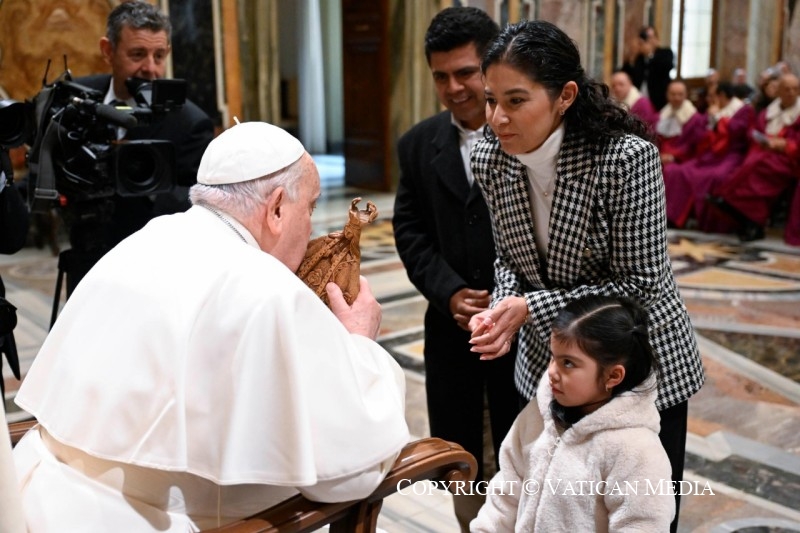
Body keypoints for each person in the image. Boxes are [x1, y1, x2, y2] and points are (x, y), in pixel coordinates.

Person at [12, 121, 410, 531]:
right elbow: (351, 474)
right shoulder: (267, 290)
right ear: (276, 209)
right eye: (309, 208)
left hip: (40, 495)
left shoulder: (144, 239)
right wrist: (361, 343)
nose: (311, 226)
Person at [467, 21, 704, 533]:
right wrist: (503, 308)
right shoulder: (489, 157)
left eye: (515, 100)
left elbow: (641, 284)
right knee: (551, 504)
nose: (498, 119)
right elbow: (510, 257)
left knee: (638, 512)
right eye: (490, 100)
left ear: (564, 96)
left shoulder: (623, 160)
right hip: (554, 365)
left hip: (633, 365)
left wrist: (530, 308)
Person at [392, 7, 519, 530]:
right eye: (440, 76)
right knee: (463, 456)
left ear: (491, 67)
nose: (454, 87)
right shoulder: (419, 144)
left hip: (520, 328)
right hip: (452, 333)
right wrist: (448, 292)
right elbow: (411, 231)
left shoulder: (525, 137)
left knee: (520, 452)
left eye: (466, 73)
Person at [471, 296, 675, 532]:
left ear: (613, 376)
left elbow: (642, 524)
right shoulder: (538, 415)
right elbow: (505, 493)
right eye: (553, 357)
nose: (552, 373)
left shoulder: (636, 450)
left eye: (568, 363)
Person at [69, 0, 214, 287]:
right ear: (108, 50)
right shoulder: (80, 97)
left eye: (159, 56)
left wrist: (143, 183)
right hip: (85, 258)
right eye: (137, 54)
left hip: (154, 267)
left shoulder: (190, 122)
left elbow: (202, 200)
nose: (150, 69)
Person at [708, 72, 800, 242]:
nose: (791, 93)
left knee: (759, 170)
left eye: (795, 89)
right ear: (778, 91)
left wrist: (784, 144)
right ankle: (749, 221)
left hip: (788, 159)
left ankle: (753, 221)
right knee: (748, 167)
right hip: (763, 152)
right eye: (787, 89)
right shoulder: (768, 112)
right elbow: (754, 131)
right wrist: (761, 140)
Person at [621, 25, 674, 110]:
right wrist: (632, 56)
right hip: (638, 102)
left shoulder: (665, 53)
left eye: (650, 37)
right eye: (644, 37)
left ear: (656, 39)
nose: (647, 41)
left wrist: (649, 54)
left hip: (658, 102)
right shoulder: (638, 58)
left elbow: (664, 68)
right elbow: (625, 74)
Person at [655, 79, 704, 165]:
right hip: (661, 154)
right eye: (673, 94)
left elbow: (692, 147)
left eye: (680, 94)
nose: (676, 98)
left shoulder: (695, 118)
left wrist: (672, 157)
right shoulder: (663, 114)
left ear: (686, 95)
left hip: (681, 159)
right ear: (667, 95)